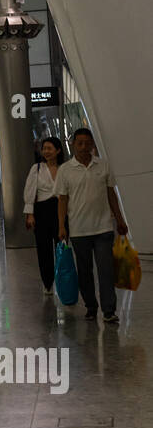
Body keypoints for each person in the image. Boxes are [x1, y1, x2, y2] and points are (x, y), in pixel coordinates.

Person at [55, 128, 128, 324]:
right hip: (79, 230)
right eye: (80, 143)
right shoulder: (65, 170)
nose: (84, 147)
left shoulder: (103, 166)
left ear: (93, 144)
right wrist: (61, 226)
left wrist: (120, 220)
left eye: (88, 143)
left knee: (106, 270)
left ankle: (109, 310)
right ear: (73, 144)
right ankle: (91, 306)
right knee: (84, 271)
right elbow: (62, 200)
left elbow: (111, 194)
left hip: (103, 228)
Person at [23, 136, 65, 294]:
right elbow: (29, 191)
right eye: (44, 148)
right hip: (41, 211)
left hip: (61, 210)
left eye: (50, 148)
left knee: (62, 247)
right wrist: (30, 214)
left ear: (58, 150)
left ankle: (63, 279)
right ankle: (47, 282)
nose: (46, 151)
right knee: (43, 248)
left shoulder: (64, 168)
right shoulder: (37, 168)